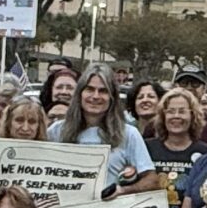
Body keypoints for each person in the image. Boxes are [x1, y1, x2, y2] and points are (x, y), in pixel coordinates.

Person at [63, 65, 161, 195]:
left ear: (112, 97)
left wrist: (122, 190)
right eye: (90, 89)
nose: (95, 96)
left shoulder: (129, 134)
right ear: (79, 93)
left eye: (103, 91)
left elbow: (152, 180)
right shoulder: (57, 131)